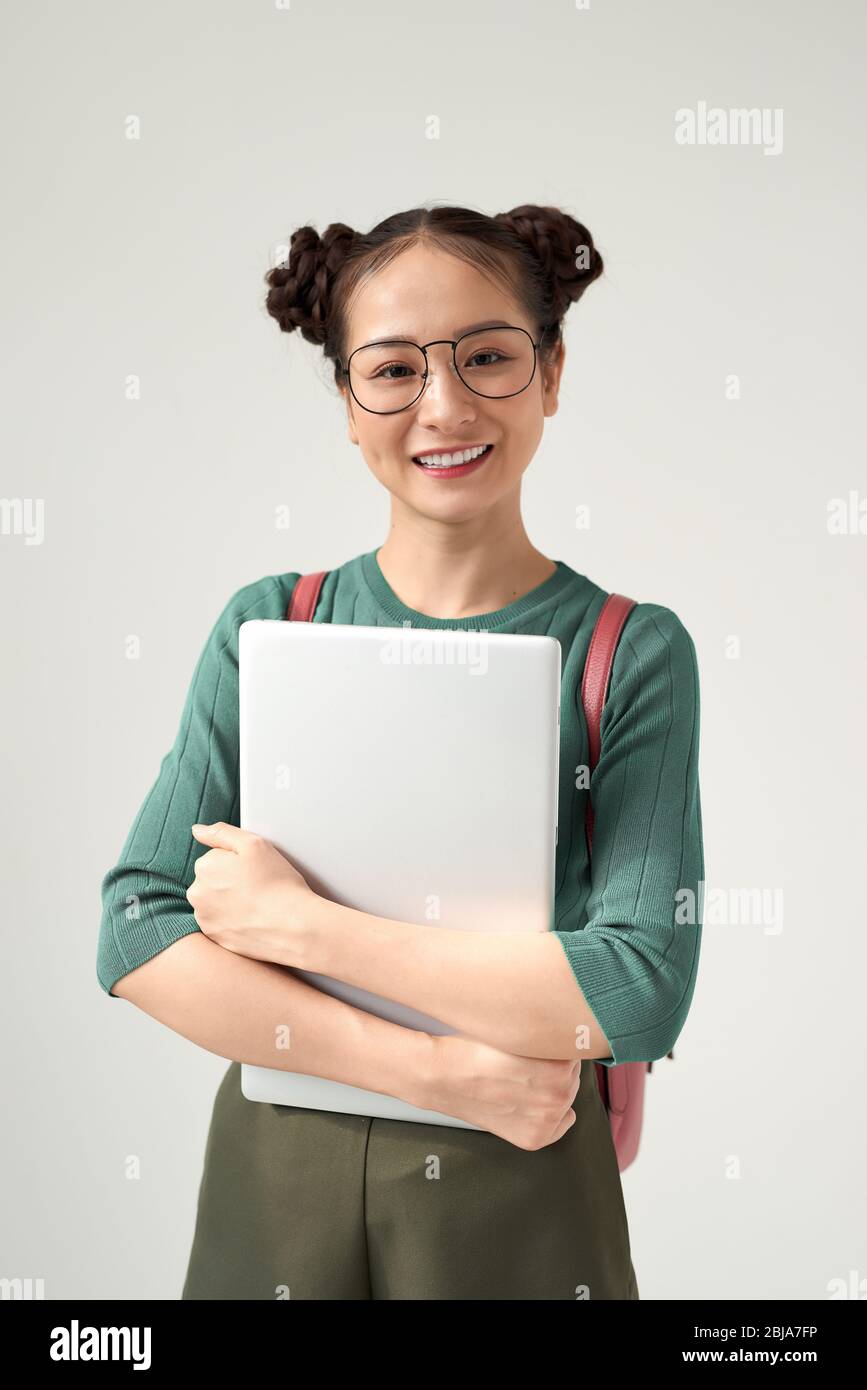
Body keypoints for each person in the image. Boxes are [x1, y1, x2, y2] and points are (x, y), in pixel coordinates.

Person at [96, 203, 704, 1300]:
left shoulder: (627, 648)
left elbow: (638, 988)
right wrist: (439, 1071)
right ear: (345, 400)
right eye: (392, 369)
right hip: (280, 1170)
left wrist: (303, 928)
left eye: (488, 356)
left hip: (520, 1191)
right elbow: (137, 932)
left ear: (552, 371)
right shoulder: (270, 621)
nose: (445, 405)